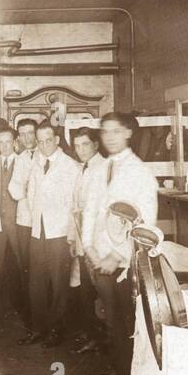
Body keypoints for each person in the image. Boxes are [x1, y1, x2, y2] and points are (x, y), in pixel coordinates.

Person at [81, 113, 157, 375]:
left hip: (126, 264)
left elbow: (144, 221)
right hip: (100, 259)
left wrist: (118, 255)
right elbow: (90, 210)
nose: (109, 137)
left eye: (116, 131)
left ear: (128, 133)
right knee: (112, 324)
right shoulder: (101, 169)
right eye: (105, 132)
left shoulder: (139, 172)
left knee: (130, 326)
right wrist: (89, 246)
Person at [13, 121, 80, 347]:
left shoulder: (70, 165)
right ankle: (38, 328)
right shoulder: (35, 163)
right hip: (38, 230)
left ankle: (56, 330)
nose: (43, 145)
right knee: (36, 282)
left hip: (59, 232)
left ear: (57, 140)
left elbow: (75, 203)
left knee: (59, 283)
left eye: (48, 140)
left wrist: (71, 234)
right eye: (40, 141)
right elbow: (31, 194)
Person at [68, 127, 107, 353]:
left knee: (98, 291)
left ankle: (102, 338)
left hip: (97, 242)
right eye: (77, 145)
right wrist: (73, 238)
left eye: (84, 144)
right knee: (86, 290)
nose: (80, 150)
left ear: (95, 145)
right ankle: (92, 334)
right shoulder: (82, 169)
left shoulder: (102, 169)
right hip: (83, 238)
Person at [0, 126, 23, 323]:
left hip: (19, 221)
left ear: (15, 142)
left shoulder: (23, 162)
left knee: (21, 262)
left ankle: (23, 306)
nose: (4, 146)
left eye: (8, 142)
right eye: (0, 142)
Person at [8, 117, 40, 333]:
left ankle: (39, 318)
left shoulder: (43, 156)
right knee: (25, 267)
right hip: (23, 220)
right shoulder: (20, 159)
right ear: (18, 138)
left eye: (31, 133)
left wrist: (26, 188)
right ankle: (30, 317)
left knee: (39, 270)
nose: (28, 138)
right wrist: (27, 188)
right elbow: (14, 190)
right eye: (23, 134)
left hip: (41, 222)